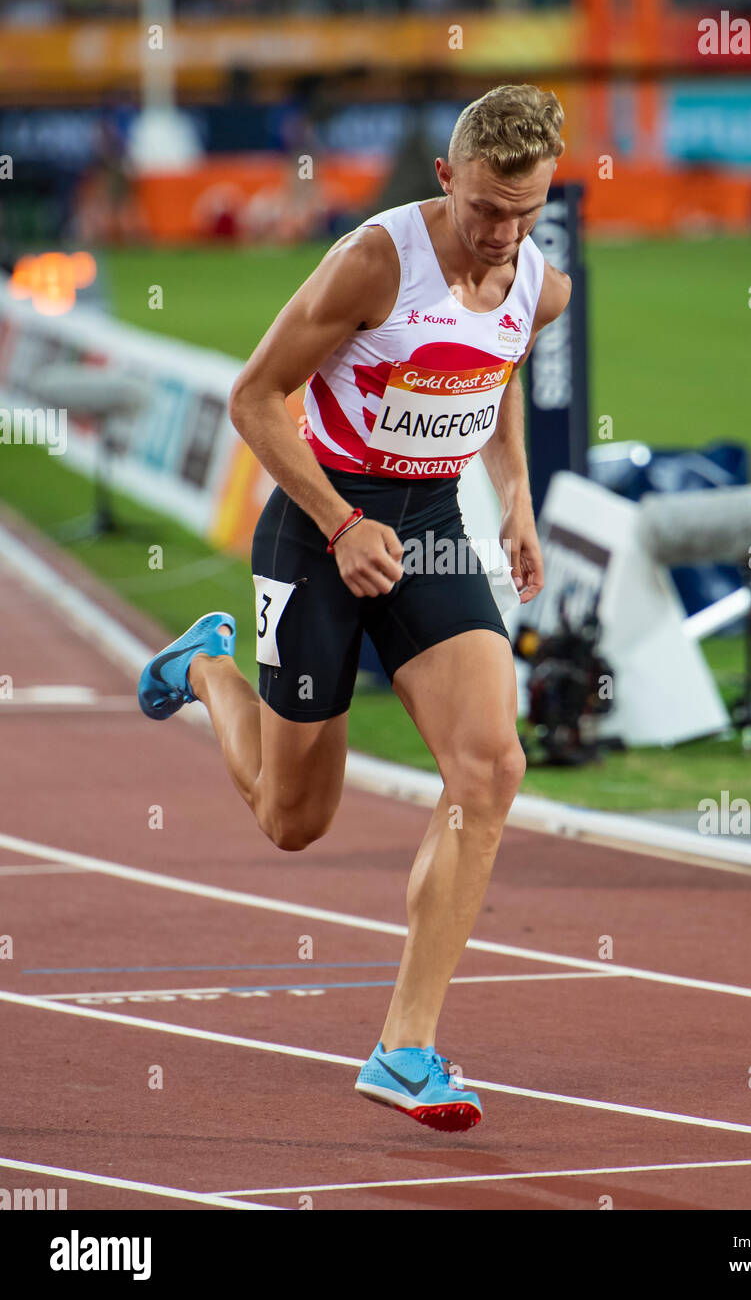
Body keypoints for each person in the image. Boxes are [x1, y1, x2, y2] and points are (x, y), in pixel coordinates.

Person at [138, 82, 572, 1132]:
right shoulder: (376, 261)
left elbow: (498, 371)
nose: (498, 234)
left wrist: (513, 501)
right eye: (481, 211)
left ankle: (404, 1046)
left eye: (522, 213)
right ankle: (205, 665)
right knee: (296, 819)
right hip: (318, 522)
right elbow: (252, 398)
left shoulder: (539, 284)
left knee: (490, 765)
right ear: (444, 179)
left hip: (426, 524)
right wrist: (338, 523)